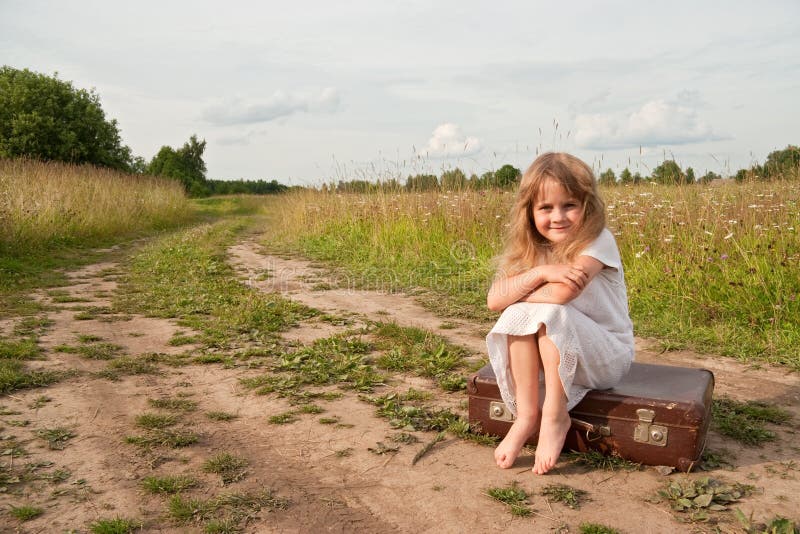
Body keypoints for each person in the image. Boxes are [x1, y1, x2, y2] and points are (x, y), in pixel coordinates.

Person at [485, 152, 634, 475]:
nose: (558, 217)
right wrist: (540, 273)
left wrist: (522, 294)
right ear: (530, 212)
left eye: (569, 205)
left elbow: (564, 294)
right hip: (558, 356)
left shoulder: (597, 240)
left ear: (587, 206)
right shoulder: (531, 250)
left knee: (546, 312)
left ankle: (555, 414)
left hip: (605, 355)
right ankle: (527, 416)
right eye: (545, 208)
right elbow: (495, 300)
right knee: (516, 314)